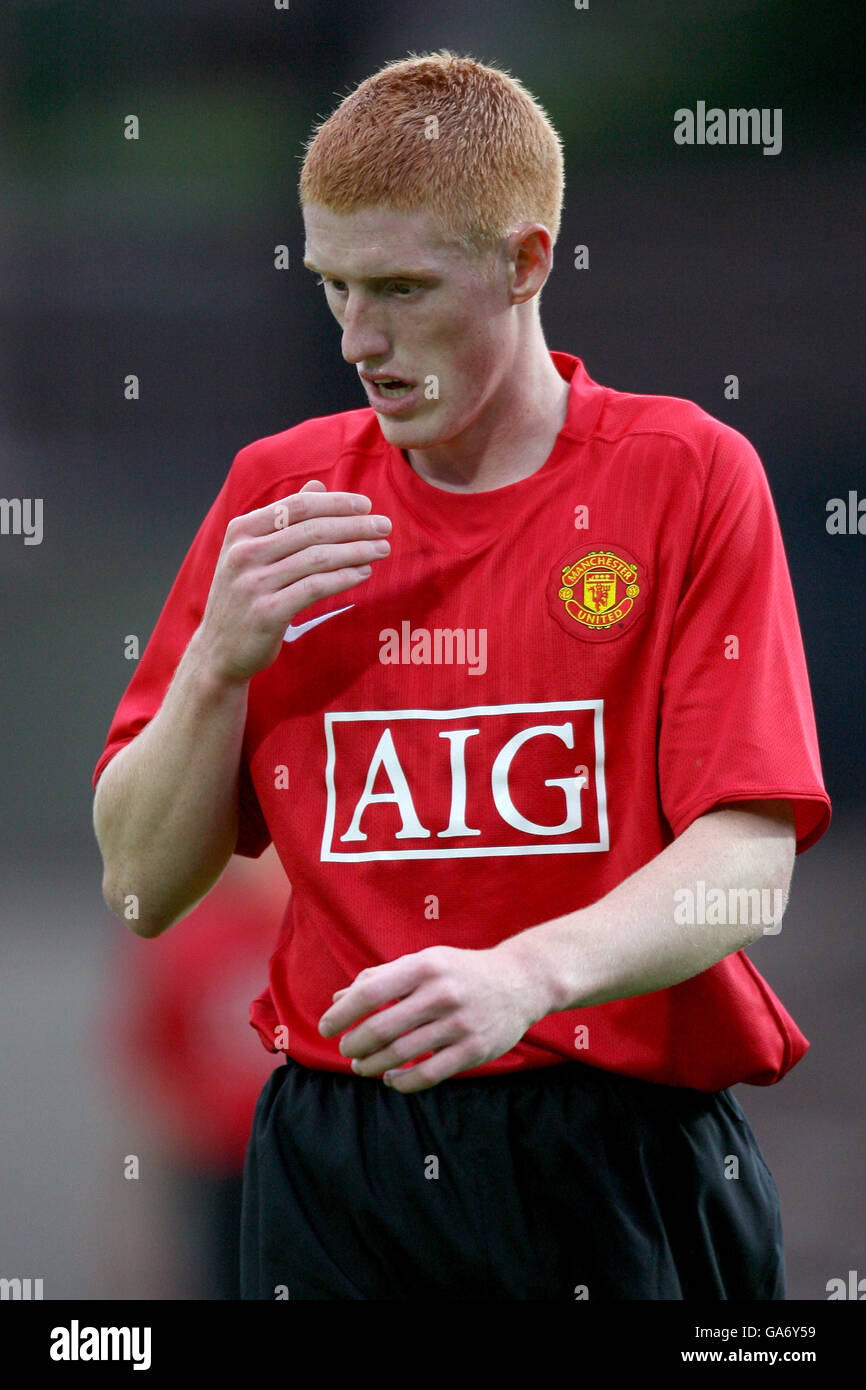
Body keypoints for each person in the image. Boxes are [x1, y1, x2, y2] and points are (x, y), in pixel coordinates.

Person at [92, 50, 831, 1301]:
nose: (357, 339)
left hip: (619, 1148)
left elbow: (745, 872)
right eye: (331, 287)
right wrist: (218, 663)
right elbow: (139, 888)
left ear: (526, 262)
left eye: (400, 287)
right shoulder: (277, 495)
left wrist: (525, 976)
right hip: (339, 1163)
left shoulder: (684, 475)